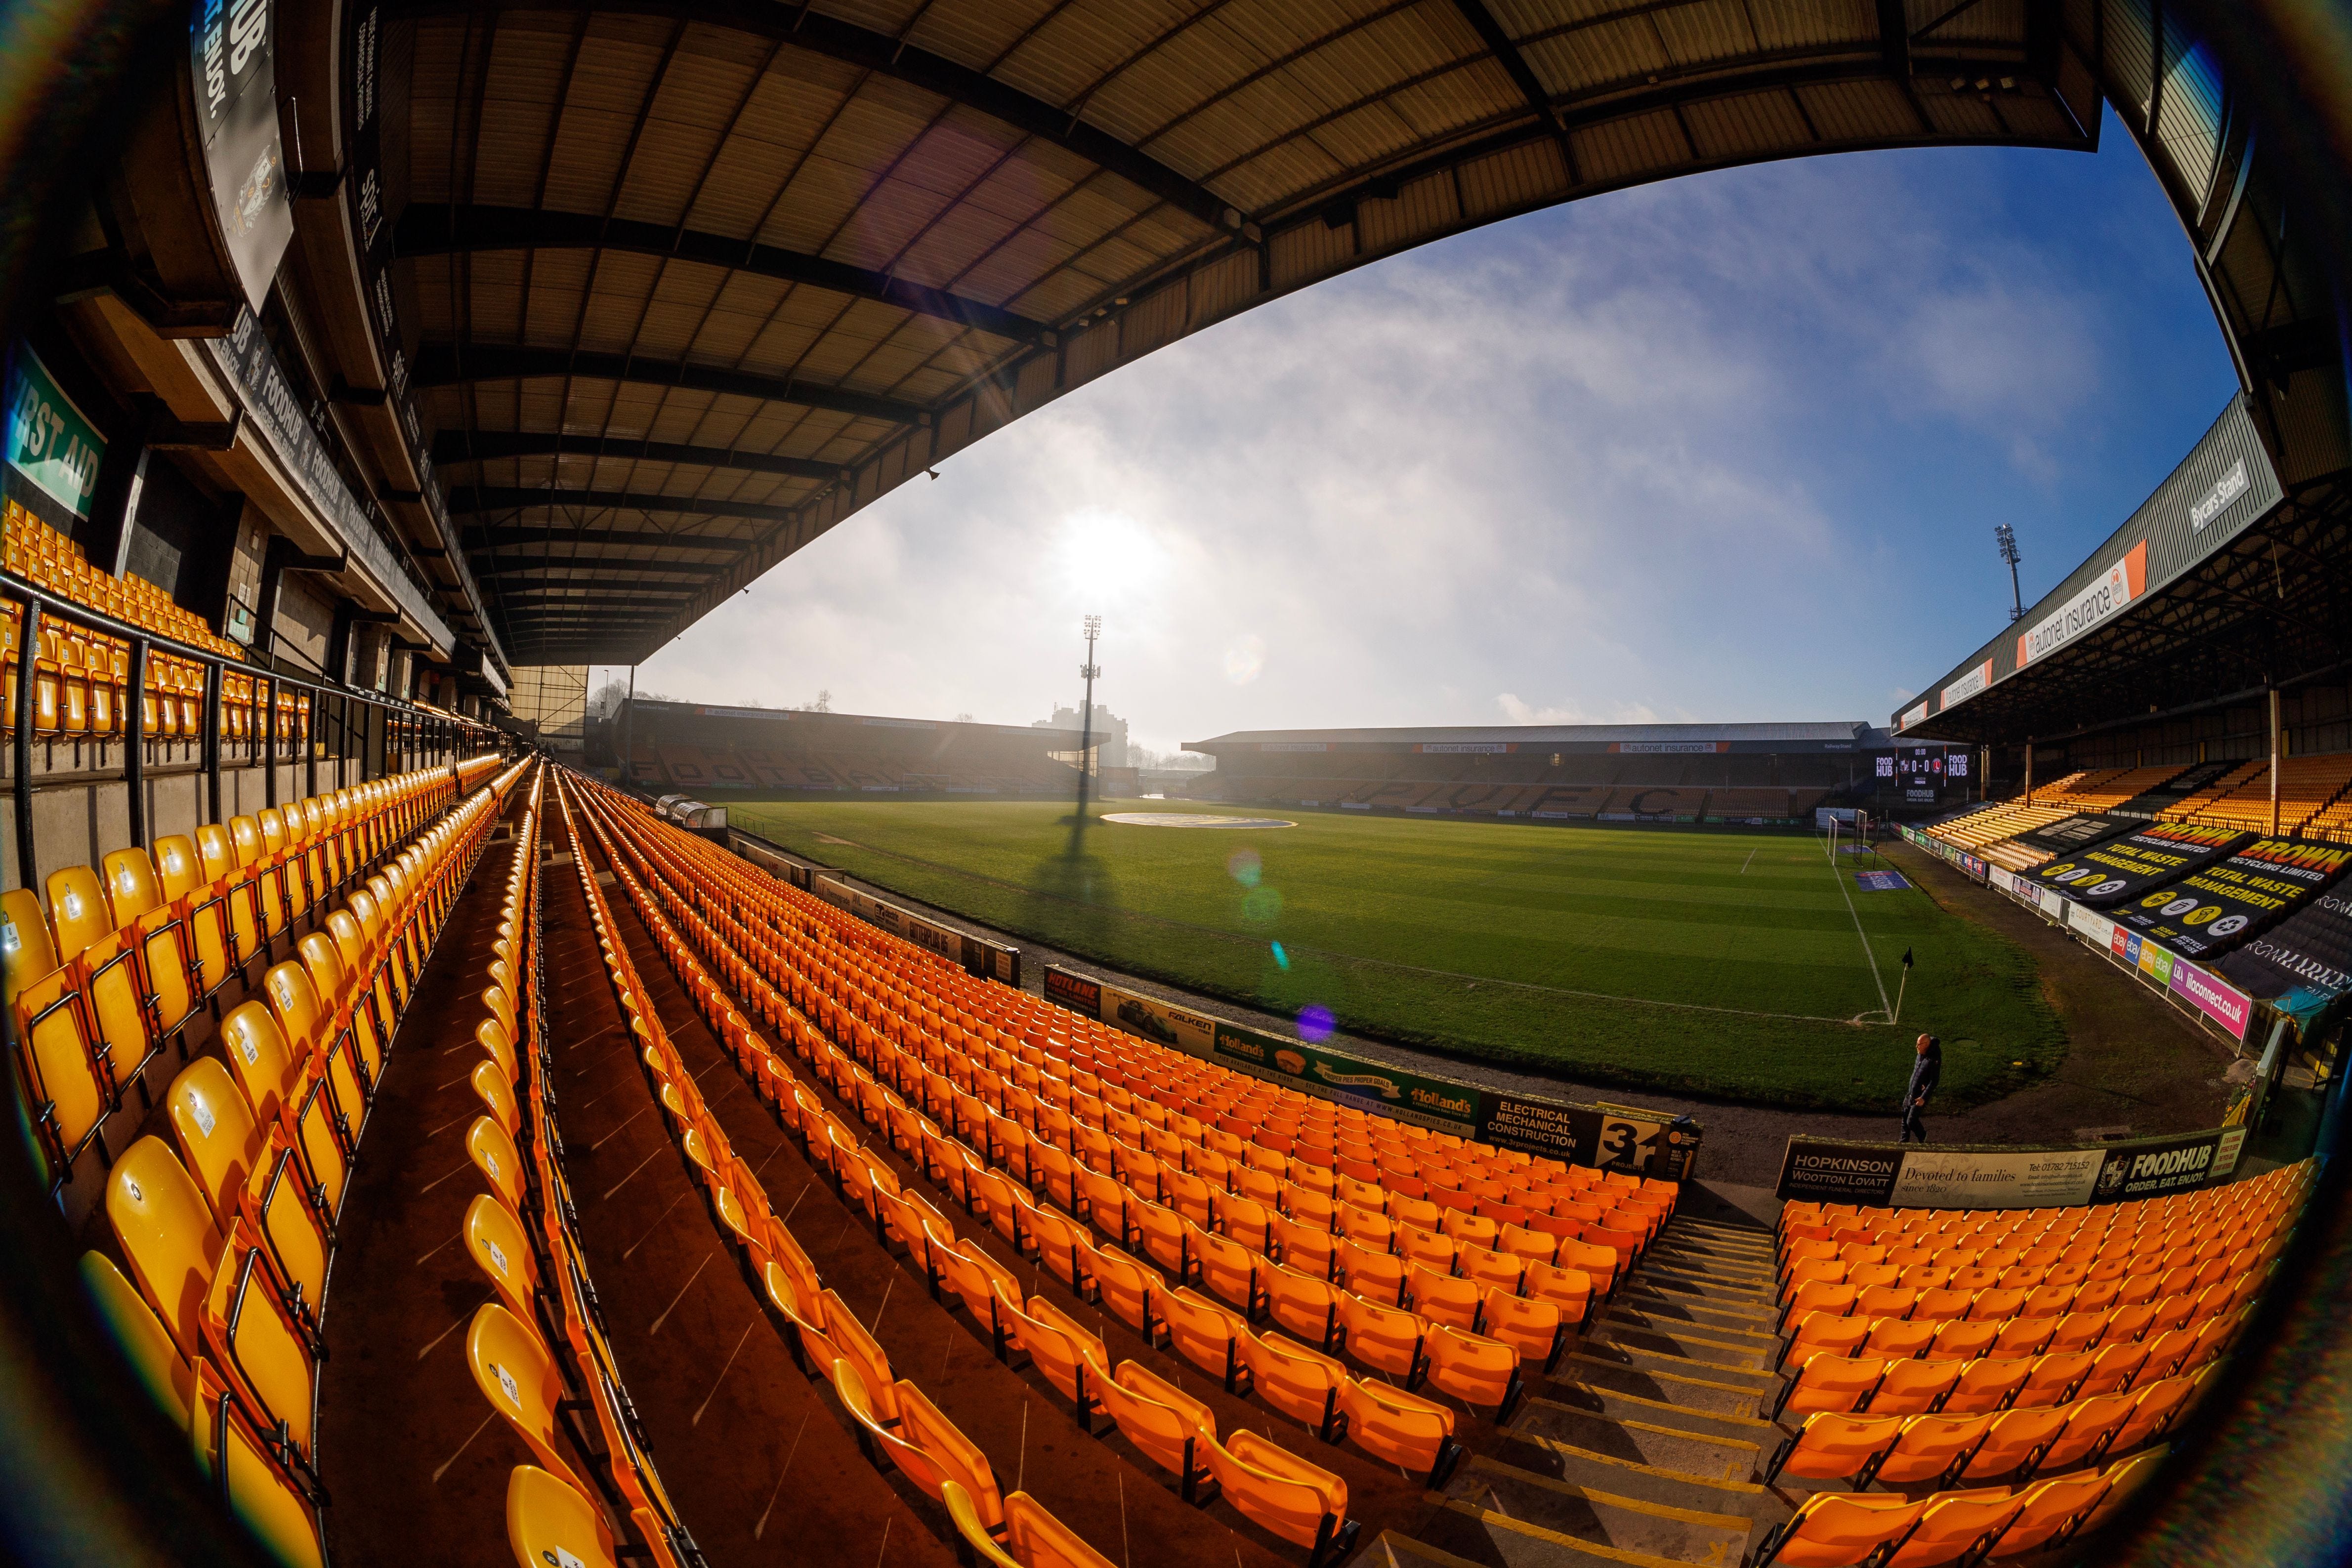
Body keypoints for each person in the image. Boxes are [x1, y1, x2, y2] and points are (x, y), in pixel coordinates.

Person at [1901, 1033, 1941, 1143]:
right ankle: (1903, 1143)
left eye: (1919, 1044)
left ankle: (1923, 1137)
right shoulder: (1921, 1053)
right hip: (1911, 1093)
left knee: (1911, 1121)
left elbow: (1934, 1081)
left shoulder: (1934, 1060)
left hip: (1920, 1097)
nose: (1917, 1047)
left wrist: (1923, 1098)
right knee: (1905, 1119)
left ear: (1927, 1044)